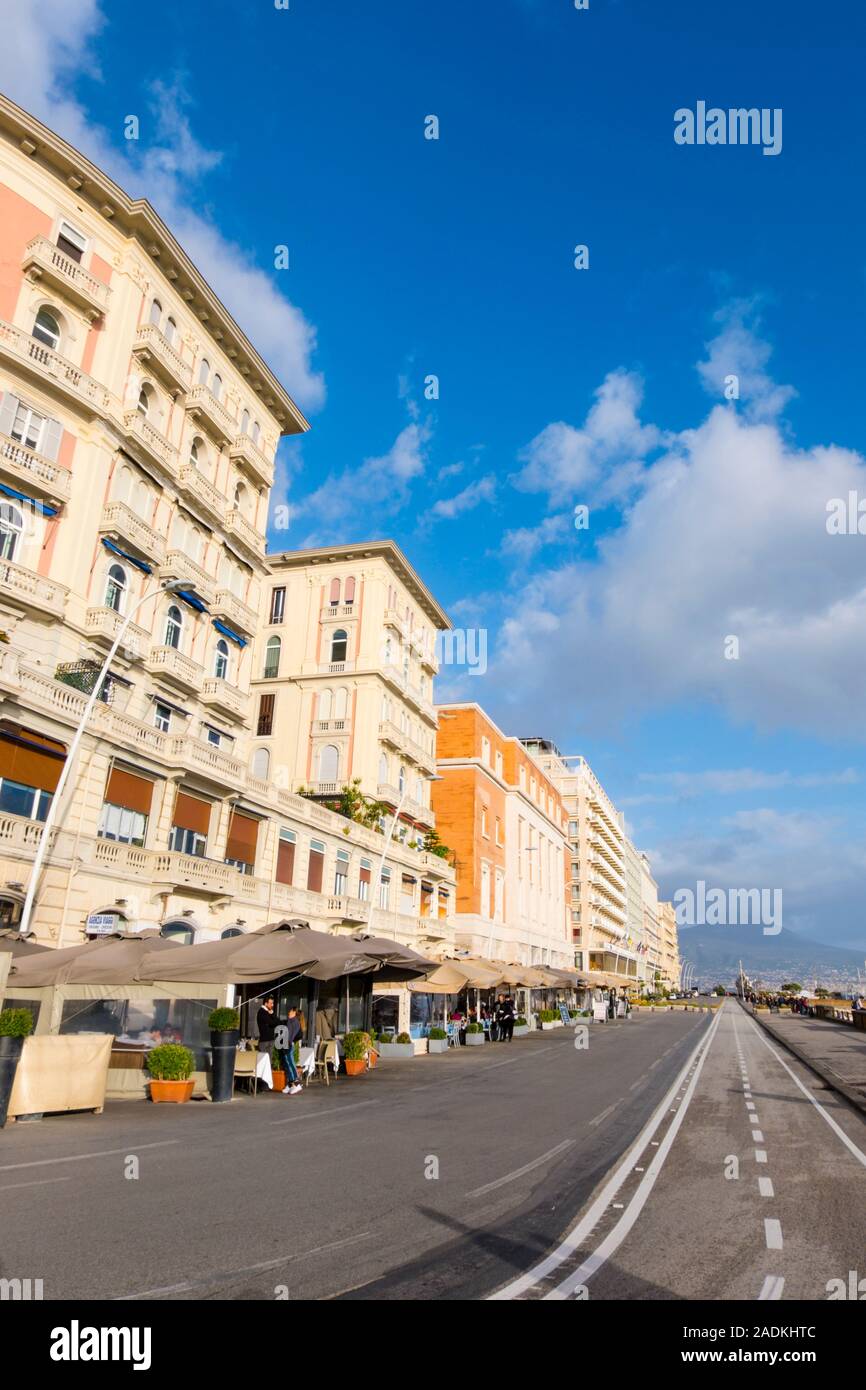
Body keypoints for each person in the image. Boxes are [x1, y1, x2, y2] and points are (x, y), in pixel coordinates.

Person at [277, 1007, 303, 1095]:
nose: (289, 1012)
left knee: (290, 1064)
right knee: (287, 1064)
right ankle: (290, 1084)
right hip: (285, 1044)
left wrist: (289, 1042)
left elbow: (291, 1035)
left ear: (294, 1012)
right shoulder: (290, 1021)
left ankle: (296, 1084)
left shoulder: (294, 1022)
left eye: (290, 1010)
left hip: (288, 1045)